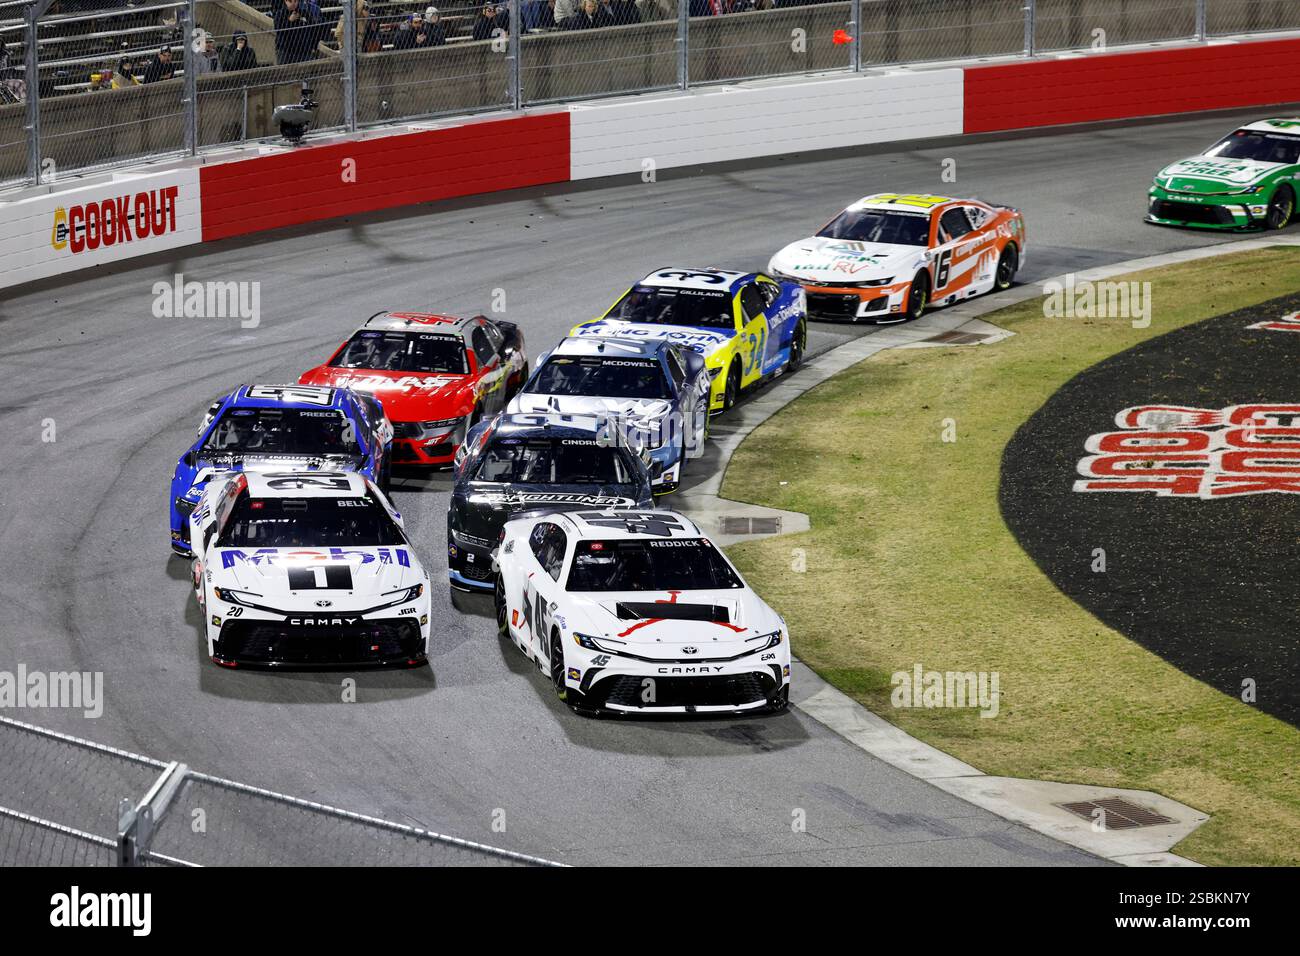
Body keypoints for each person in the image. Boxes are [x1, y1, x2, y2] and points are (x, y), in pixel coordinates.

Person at [274, 0, 323, 65]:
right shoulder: (280, 15)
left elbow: (314, 30)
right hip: (286, 51)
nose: (293, 3)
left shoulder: (305, 13)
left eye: (295, 1)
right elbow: (280, 32)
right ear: (285, 1)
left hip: (304, 50)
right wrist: (290, 21)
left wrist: (313, 46)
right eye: (290, 1)